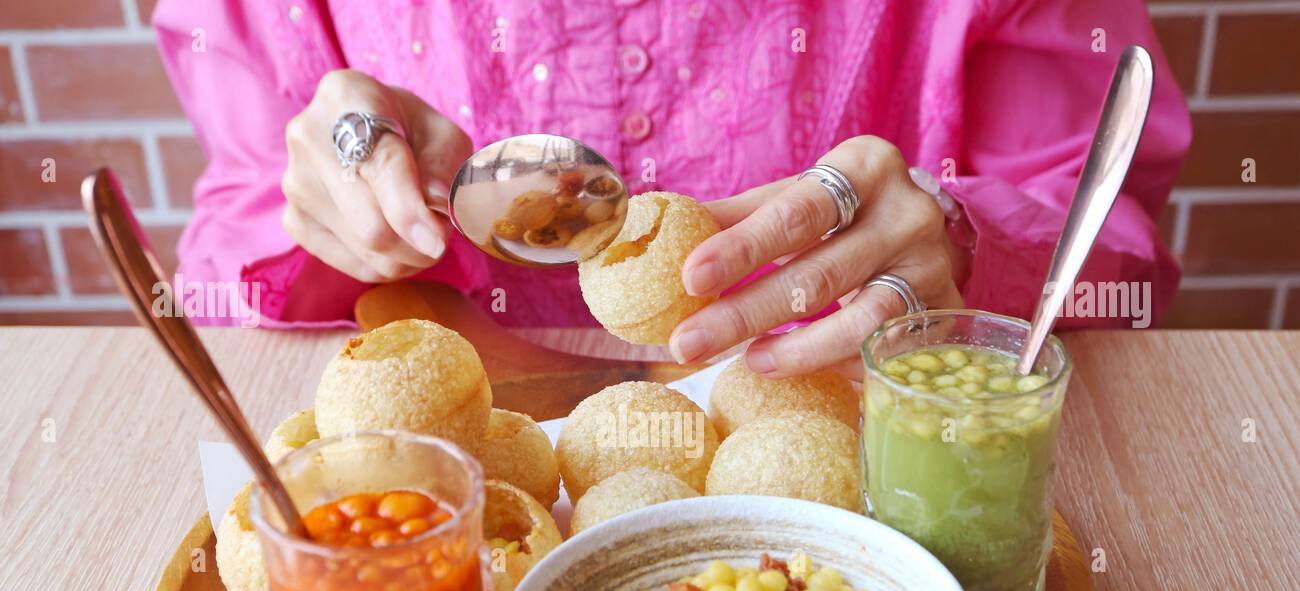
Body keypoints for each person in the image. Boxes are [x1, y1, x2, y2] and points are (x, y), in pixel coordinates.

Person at [155, 0, 1189, 376]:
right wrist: (334, 214)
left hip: (869, 459)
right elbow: (226, 252)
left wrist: (961, 236)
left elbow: (1107, 236)